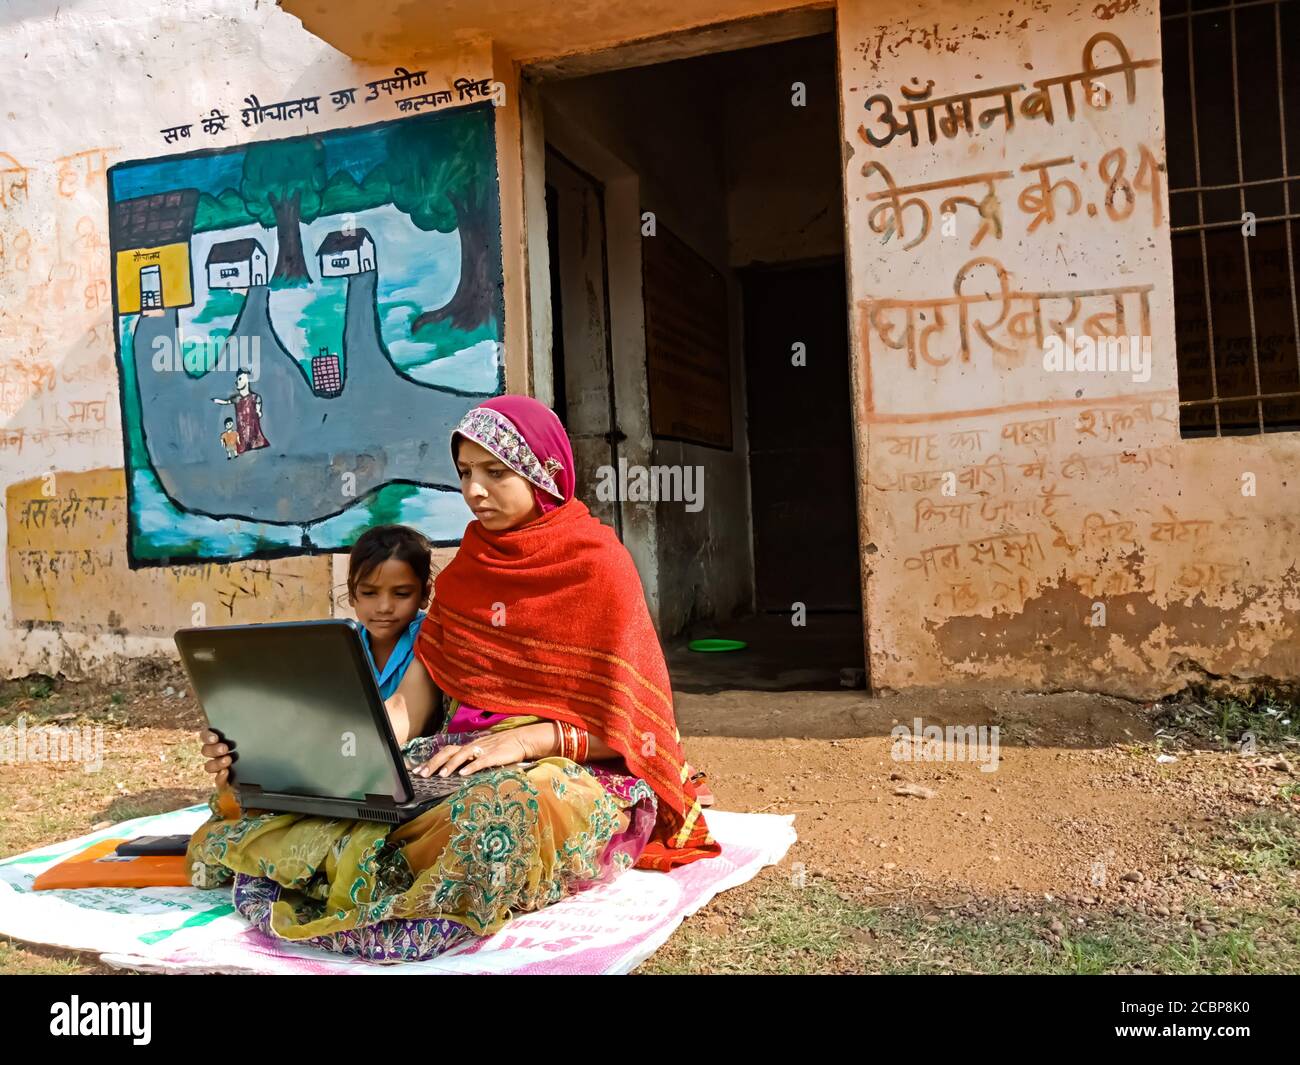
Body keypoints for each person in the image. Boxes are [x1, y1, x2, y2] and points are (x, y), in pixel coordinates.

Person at [190, 395, 719, 961]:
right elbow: (410, 702)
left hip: (574, 770)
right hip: (459, 754)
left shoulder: (597, 565)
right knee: (338, 795)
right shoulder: (469, 570)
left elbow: (634, 731)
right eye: (465, 472)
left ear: (546, 473)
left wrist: (522, 741)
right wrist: (327, 747)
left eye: (495, 473)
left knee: (508, 806)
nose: (474, 491)